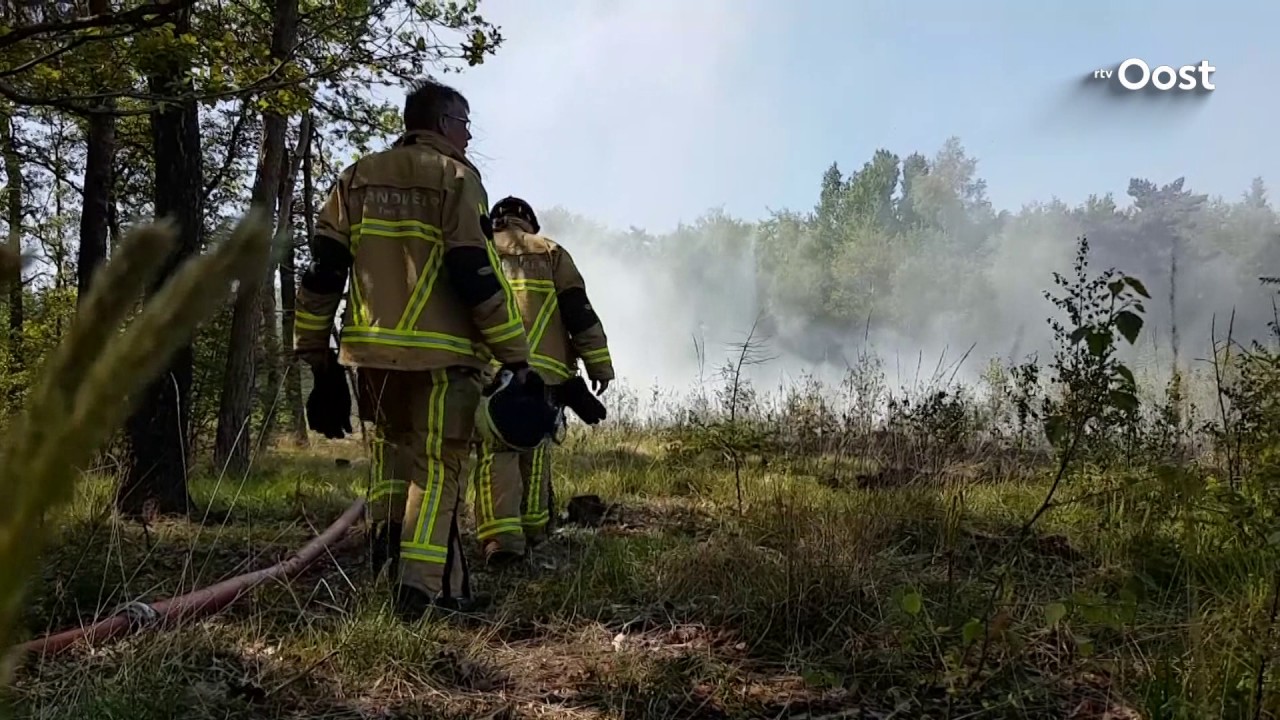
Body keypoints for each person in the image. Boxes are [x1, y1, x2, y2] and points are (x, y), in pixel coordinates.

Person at [292, 77, 533, 619]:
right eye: (466, 125)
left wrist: (315, 355)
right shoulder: (456, 178)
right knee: (438, 467)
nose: (469, 138)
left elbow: (323, 271)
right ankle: (420, 592)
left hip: (372, 358)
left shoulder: (356, 177)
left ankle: (393, 565)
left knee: (392, 458)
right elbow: (473, 272)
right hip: (443, 359)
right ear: (444, 123)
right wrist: (516, 356)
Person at [469, 196, 614, 566]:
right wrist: (599, 366)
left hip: (491, 374)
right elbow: (578, 312)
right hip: (544, 376)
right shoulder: (551, 253)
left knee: (496, 454)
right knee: (535, 451)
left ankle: (502, 542)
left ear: (497, 221)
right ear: (529, 222)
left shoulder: (478, 246)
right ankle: (534, 532)